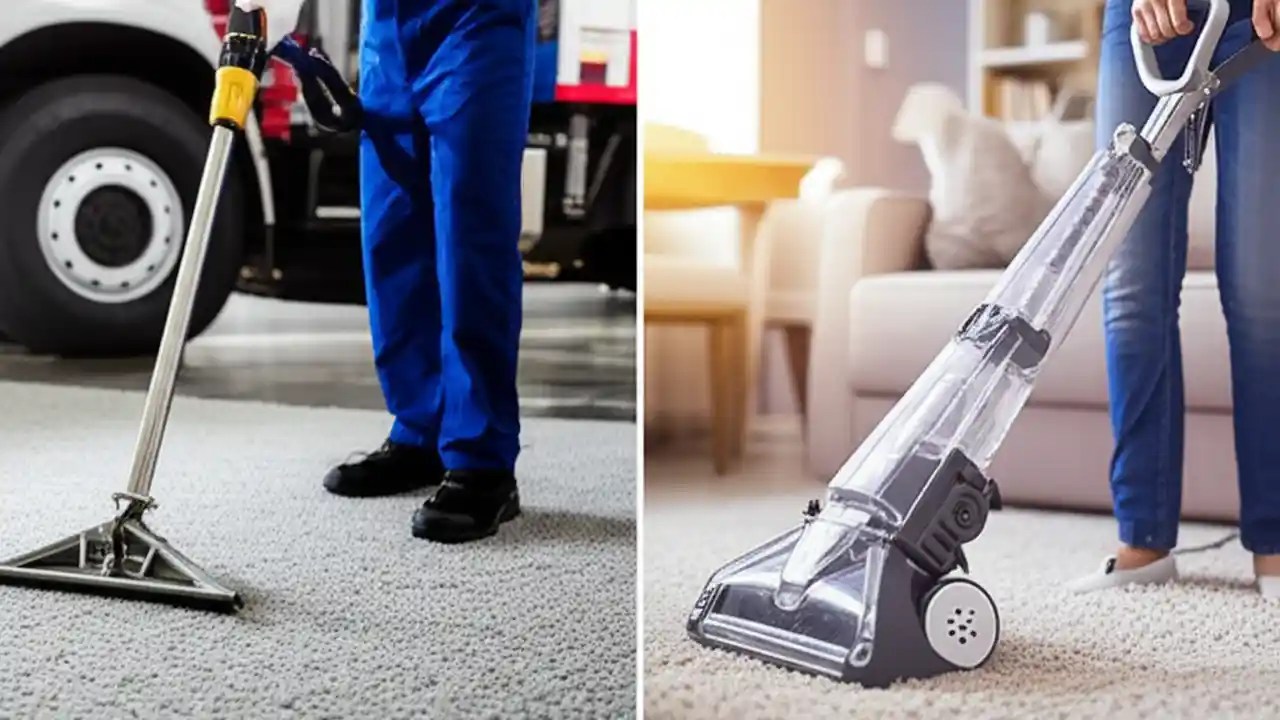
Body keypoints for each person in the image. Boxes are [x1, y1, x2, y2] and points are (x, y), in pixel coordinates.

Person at [236, 0, 535, 543]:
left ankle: (482, 461)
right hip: (389, 25)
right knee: (393, 234)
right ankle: (420, 432)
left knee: (470, 233)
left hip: (476, 19)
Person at [1069, 0, 1280, 597]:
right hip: (1144, 15)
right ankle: (1143, 540)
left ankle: (1276, 544)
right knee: (1132, 286)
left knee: (1265, 290)